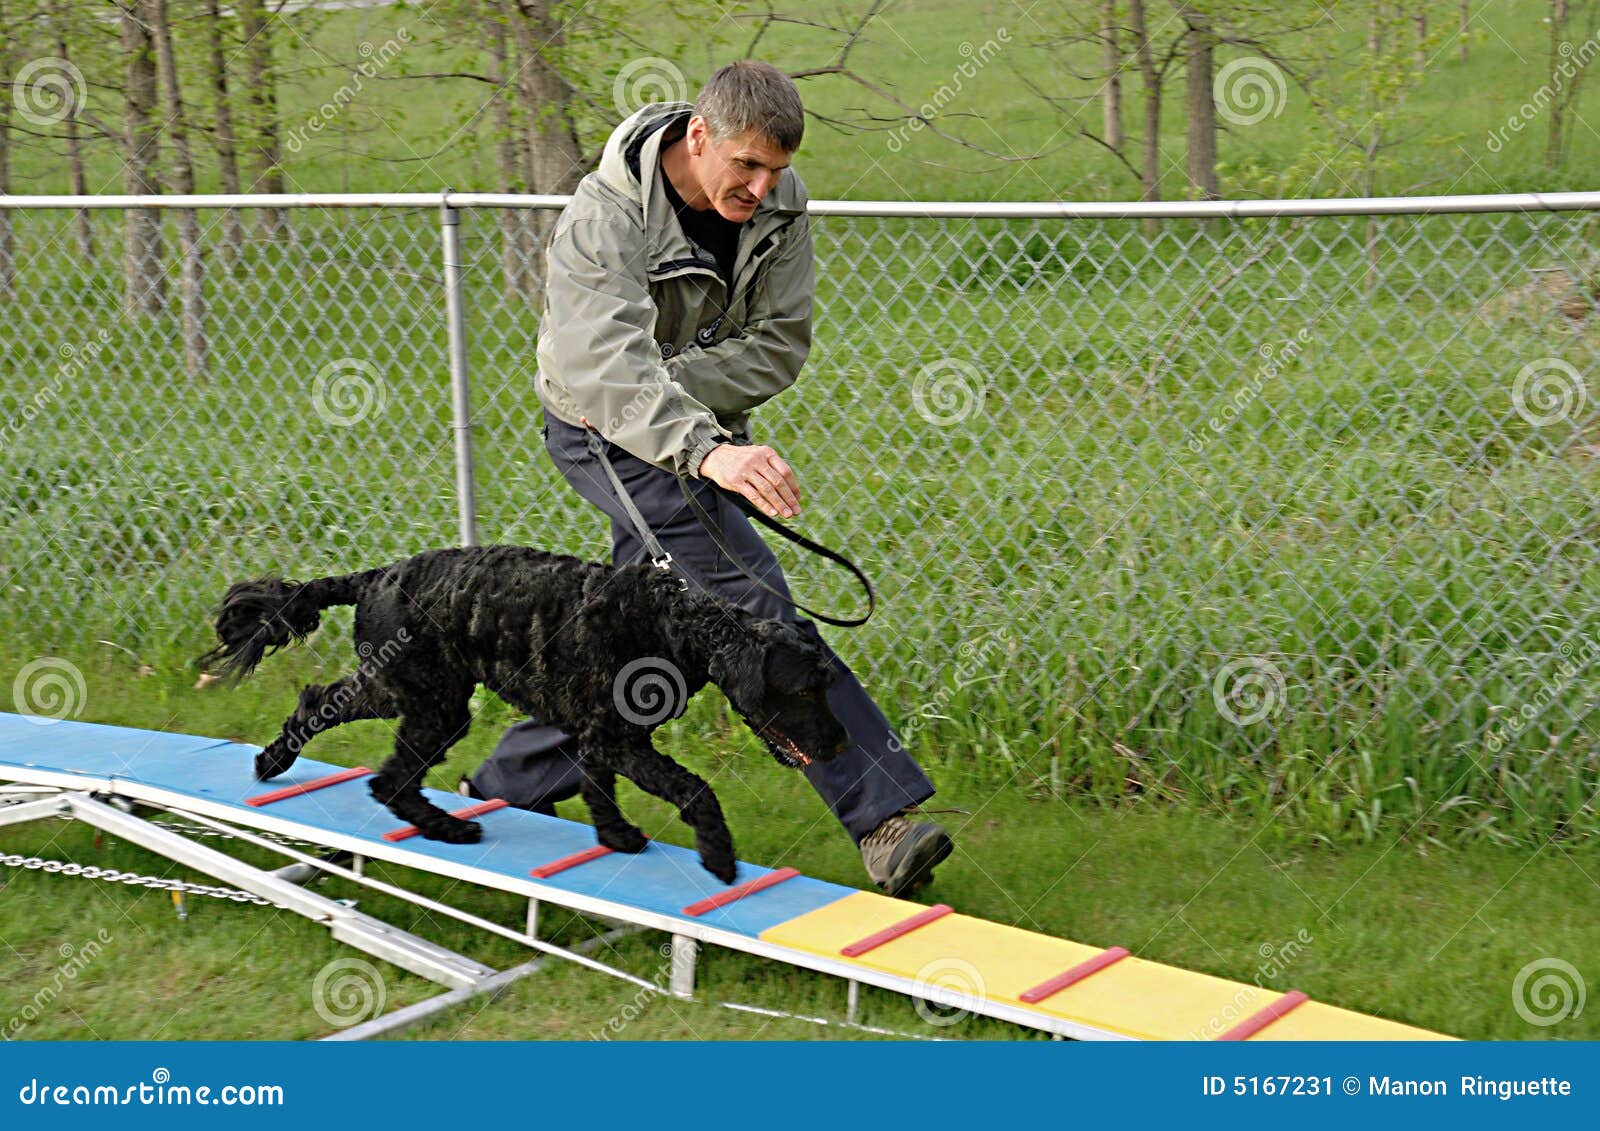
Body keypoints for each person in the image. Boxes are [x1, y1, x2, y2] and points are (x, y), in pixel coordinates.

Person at [465, 60, 953, 897]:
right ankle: (880, 818)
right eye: (747, 167)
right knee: (749, 605)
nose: (762, 187)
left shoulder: (779, 203)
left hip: (688, 428)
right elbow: (608, 372)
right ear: (700, 136)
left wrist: (689, 411)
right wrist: (706, 450)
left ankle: (505, 788)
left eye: (776, 169)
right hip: (599, 431)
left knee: (653, 641)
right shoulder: (604, 218)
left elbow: (779, 342)